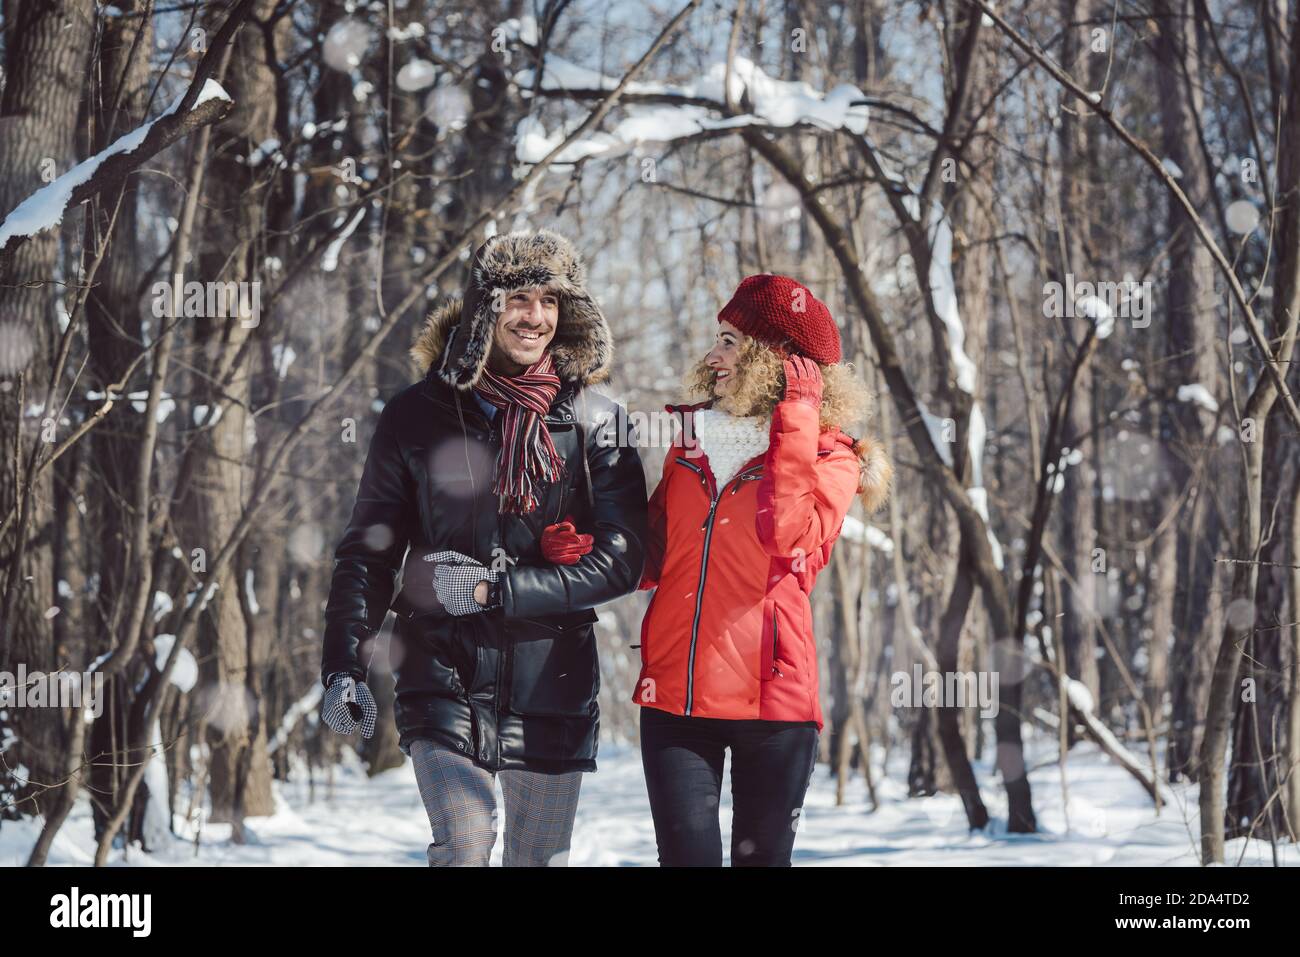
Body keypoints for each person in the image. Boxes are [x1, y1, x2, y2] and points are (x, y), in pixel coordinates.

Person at [319, 228, 647, 866]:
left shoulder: (598, 421)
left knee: (538, 860)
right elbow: (369, 551)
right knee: (463, 848)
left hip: (550, 674)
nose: (535, 317)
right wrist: (343, 664)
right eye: (518, 298)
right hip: (440, 667)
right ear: (484, 308)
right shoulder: (417, 416)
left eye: (550, 301)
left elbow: (625, 559)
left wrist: (501, 589)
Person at [633, 273, 893, 866]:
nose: (712, 355)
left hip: (772, 707)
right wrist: (585, 543)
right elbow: (654, 553)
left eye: (729, 340)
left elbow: (789, 534)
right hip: (676, 698)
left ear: (771, 357)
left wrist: (797, 421)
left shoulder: (833, 456)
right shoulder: (691, 442)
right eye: (716, 339)